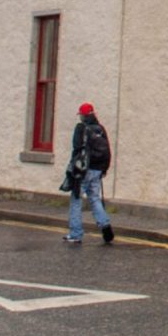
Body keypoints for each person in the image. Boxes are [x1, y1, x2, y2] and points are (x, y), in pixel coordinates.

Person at [65, 102, 114, 245]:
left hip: (83, 171)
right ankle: (105, 226)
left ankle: (75, 233)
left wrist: (72, 169)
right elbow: (108, 151)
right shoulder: (100, 129)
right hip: (98, 170)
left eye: (81, 115)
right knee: (94, 198)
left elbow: (76, 150)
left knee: (76, 199)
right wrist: (104, 169)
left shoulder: (81, 129)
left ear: (83, 116)